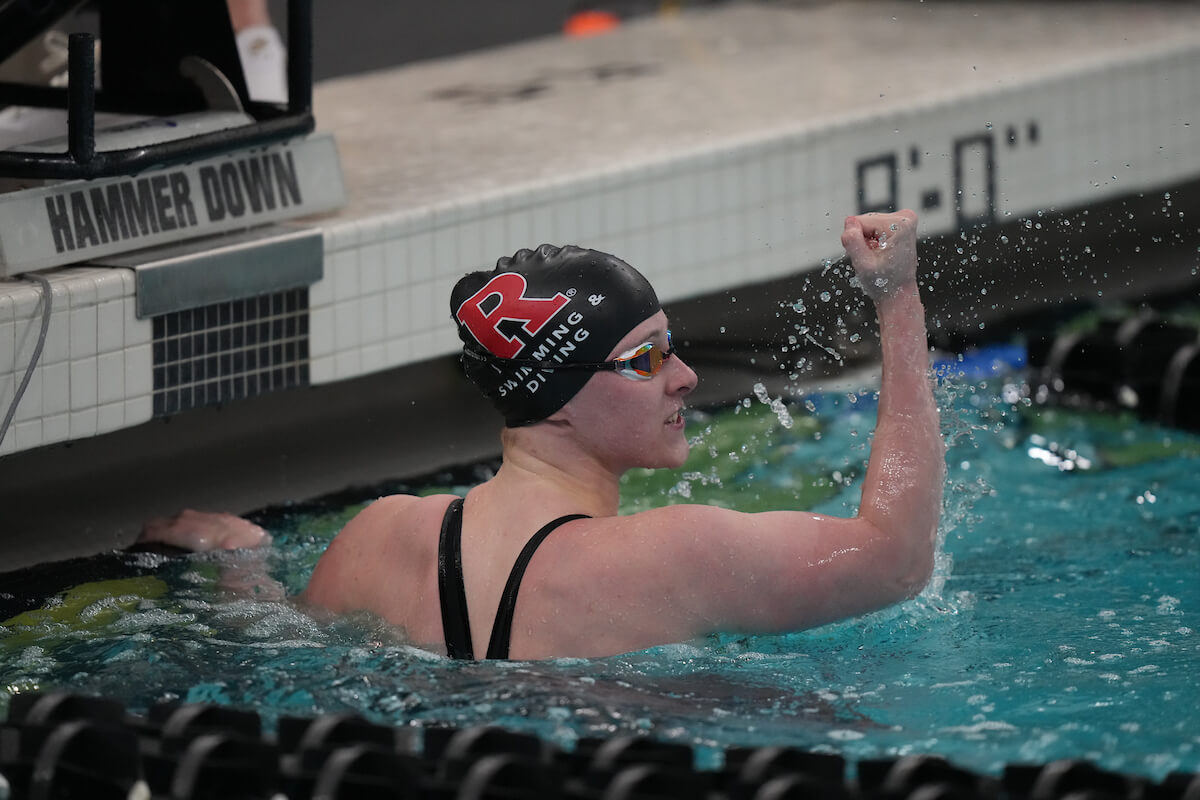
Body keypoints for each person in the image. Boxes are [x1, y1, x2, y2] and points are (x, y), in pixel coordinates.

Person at [141, 210, 945, 661]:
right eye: (646, 358)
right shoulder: (676, 554)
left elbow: (278, 642)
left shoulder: (377, 536)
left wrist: (241, 565)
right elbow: (898, 559)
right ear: (558, 400)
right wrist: (898, 298)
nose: (686, 377)